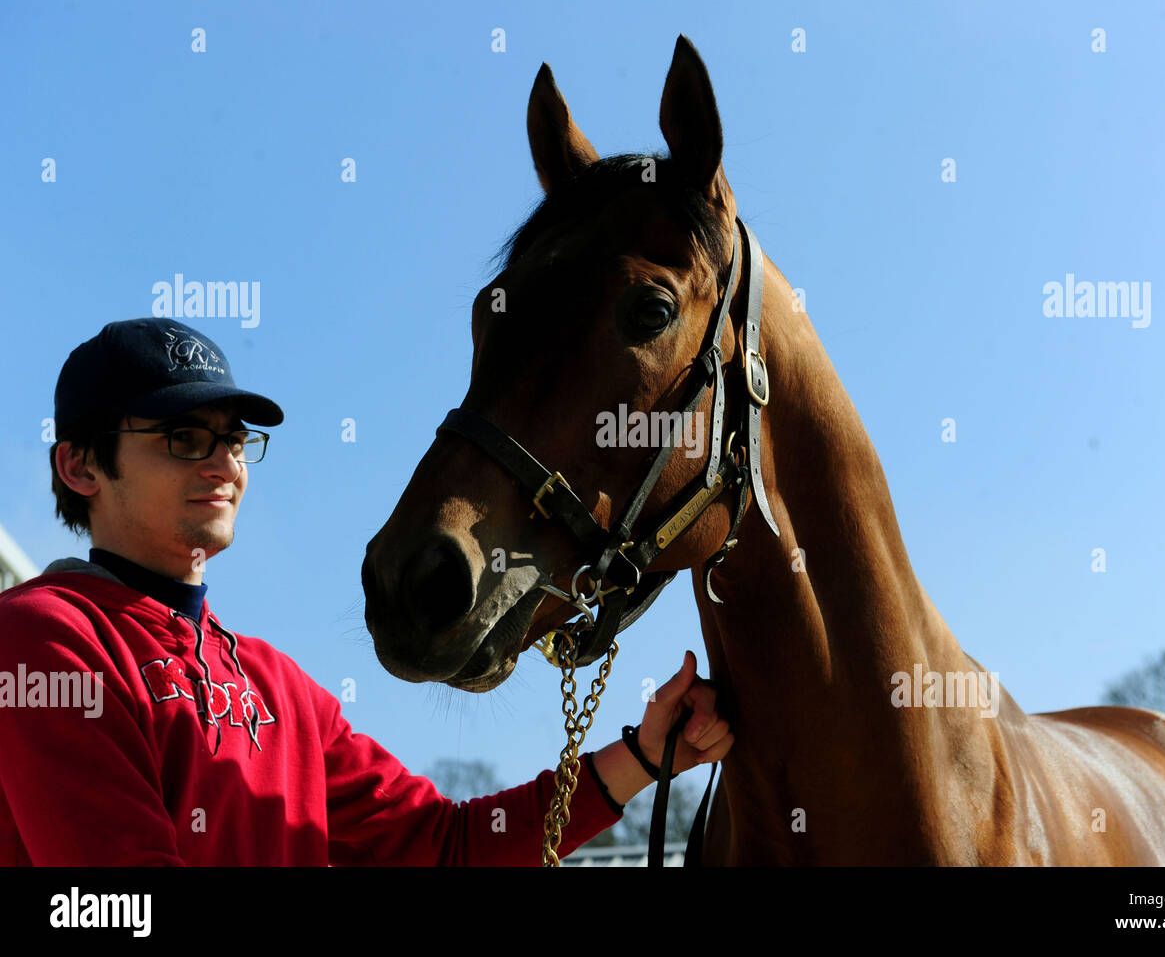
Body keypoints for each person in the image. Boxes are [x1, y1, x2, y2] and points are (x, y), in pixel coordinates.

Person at [0, 318, 733, 865]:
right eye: (183, 438)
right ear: (80, 468)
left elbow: (446, 847)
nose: (222, 461)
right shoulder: (38, 640)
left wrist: (641, 754)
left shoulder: (280, 687)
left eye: (233, 438)